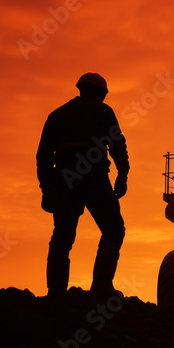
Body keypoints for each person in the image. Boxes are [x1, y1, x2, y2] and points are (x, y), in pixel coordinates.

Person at [37, 72, 129, 298]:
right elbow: (117, 145)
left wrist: (47, 189)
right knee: (113, 229)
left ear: (80, 88)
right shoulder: (103, 111)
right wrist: (123, 174)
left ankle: (56, 292)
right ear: (101, 93)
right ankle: (101, 286)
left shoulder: (57, 115)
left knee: (62, 236)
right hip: (94, 177)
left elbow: (43, 157)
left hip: (65, 180)